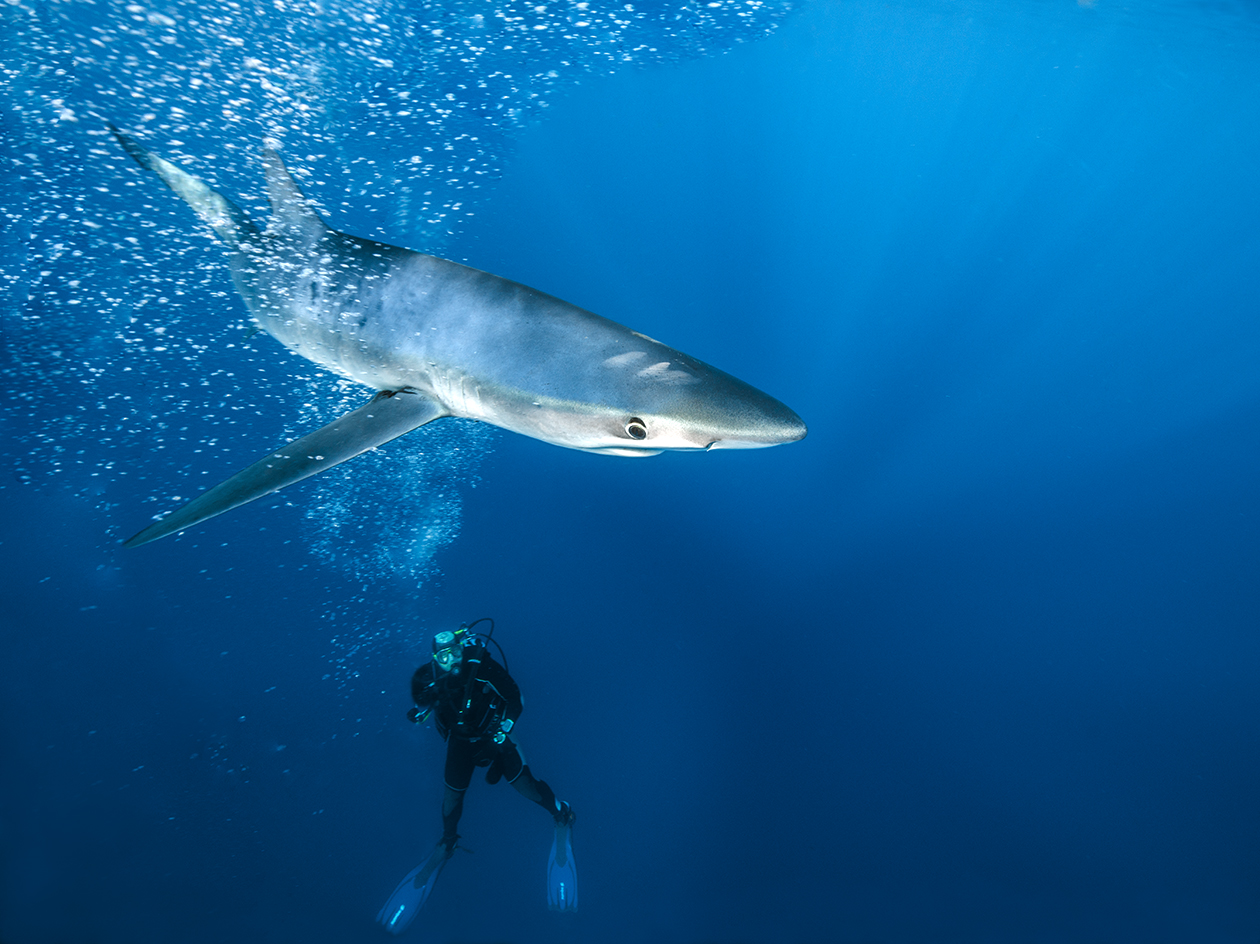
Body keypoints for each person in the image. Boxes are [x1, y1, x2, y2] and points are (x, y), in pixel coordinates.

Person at [377, 619, 577, 934]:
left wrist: (503, 730)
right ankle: (448, 843)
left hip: (493, 735)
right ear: (434, 659)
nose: (452, 661)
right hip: (460, 743)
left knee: (524, 785)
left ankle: (561, 814)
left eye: (455, 653)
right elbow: (424, 704)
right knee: (451, 797)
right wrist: (420, 712)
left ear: (462, 648)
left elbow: (514, 697)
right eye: (444, 657)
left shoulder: (479, 666)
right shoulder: (428, 678)